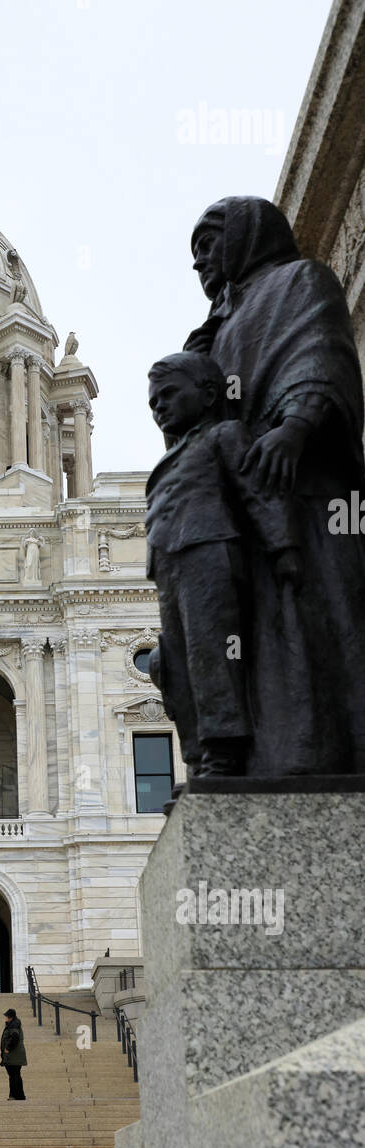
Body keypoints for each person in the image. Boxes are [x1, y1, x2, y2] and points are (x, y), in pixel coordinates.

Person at [184, 195, 365, 776]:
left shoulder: (299, 281)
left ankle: (323, 757)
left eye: (208, 244)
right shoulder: (218, 327)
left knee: (315, 622)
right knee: (261, 642)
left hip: (302, 488)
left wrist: (296, 426)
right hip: (243, 500)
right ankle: (274, 760)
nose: (198, 262)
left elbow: (322, 356)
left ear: (246, 235)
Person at [146, 351, 297, 777]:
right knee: (174, 661)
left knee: (211, 651)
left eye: (169, 395)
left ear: (210, 394)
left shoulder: (225, 435)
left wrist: (283, 549)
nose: (159, 407)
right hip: (171, 566)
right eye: (153, 402)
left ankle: (224, 749)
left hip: (211, 553)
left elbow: (257, 494)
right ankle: (197, 758)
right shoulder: (172, 456)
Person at [0, 1008, 27, 1100]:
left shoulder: (13, 1026)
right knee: (16, 1075)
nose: (5, 1018)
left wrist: (8, 1048)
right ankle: (19, 1095)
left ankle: (15, 1095)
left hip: (13, 1056)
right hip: (16, 1056)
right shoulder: (15, 1024)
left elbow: (15, 1037)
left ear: (10, 1017)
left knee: (14, 1076)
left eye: (6, 1016)